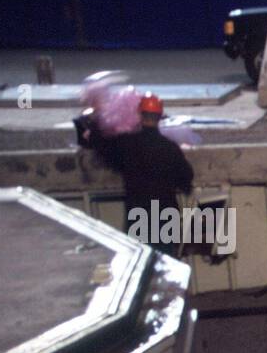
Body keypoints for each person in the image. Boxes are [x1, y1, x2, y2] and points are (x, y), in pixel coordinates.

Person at [76, 91, 194, 257]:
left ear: (139, 115)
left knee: (140, 262)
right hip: (165, 215)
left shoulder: (127, 144)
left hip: (138, 214)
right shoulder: (170, 148)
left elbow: (101, 145)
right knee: (166, 264)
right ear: (159, 116)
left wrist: (96, 119)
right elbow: (186, 179)